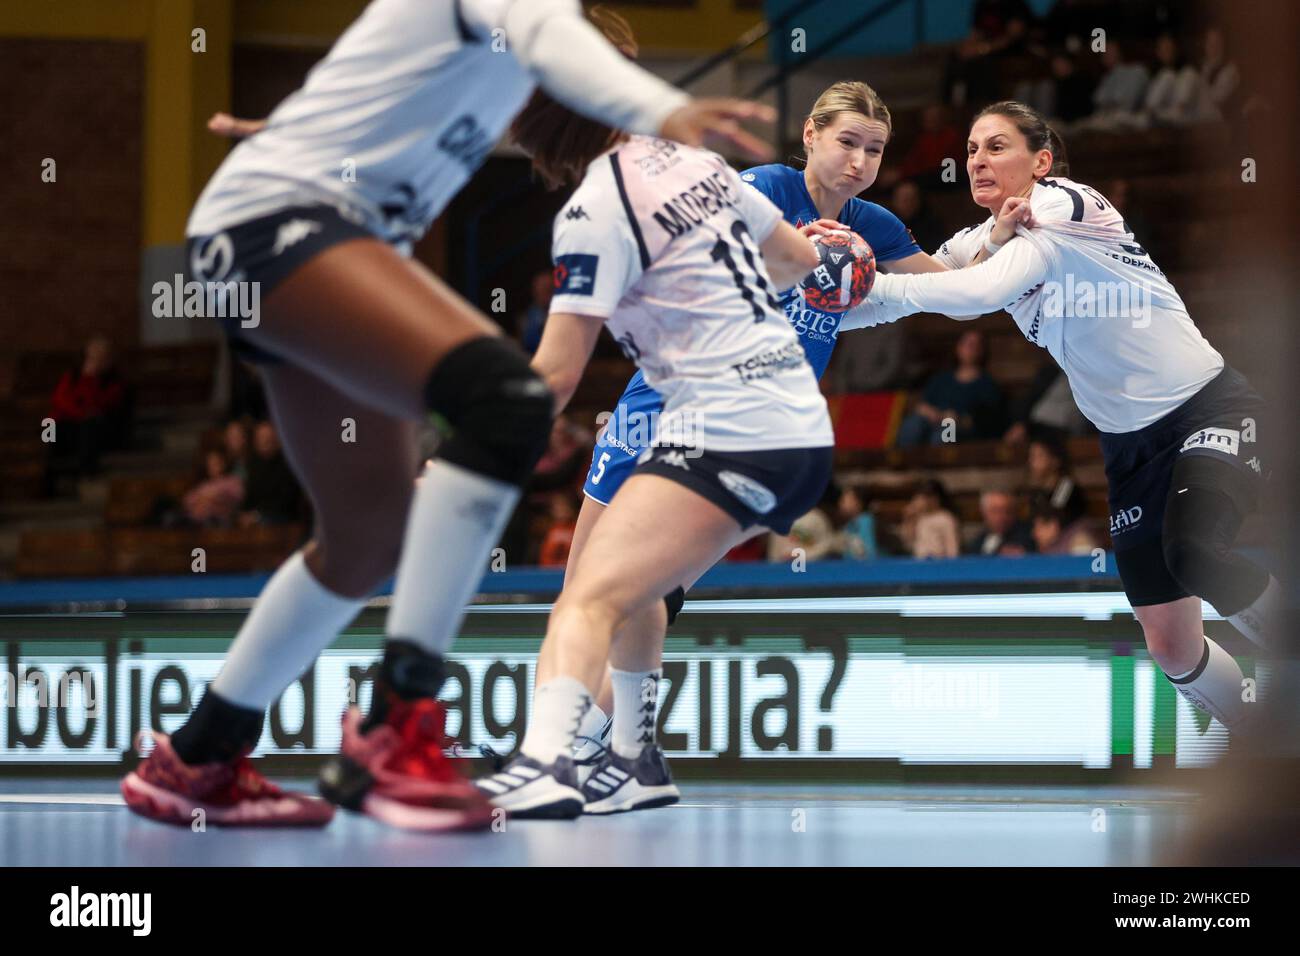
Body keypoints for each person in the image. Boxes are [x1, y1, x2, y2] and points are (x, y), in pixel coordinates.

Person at [121, 0, 777, 832]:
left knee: (366, 537)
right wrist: (660, 108)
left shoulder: (495, 58)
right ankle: (398, 722)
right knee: (506, 400)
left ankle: (199, 755)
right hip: (279, 234)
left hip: (290, 242)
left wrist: (286, 128)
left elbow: (388, 88)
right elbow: (548, 38)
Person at [524, 79, 958, 802]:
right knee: (592, 591)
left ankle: (584, 753)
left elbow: (945, 289)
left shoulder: (874, 227)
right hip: (652, 403)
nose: (859, 161)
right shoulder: (762, 187)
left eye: (875, 150)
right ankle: (608, 755)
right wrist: (817, 272)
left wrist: (1007, 240)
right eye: (847, 141)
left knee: (636, 588)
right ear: (811, 134)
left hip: (743, 417)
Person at [472, 13, 835, 817]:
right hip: (791, 423)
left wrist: (468, 445)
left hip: (732, 423)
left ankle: (544, 763)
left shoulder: (593, 211)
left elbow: (557, 377)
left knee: (585, 598)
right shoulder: (696, 162)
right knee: (631, 587)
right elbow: (799, 260)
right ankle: (635, 760)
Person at [847, 100, 1280, 732]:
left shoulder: (1066, 205)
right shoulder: (979, 241)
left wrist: (881, 287)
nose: (977, 160)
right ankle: (1264, 745)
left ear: (1041, 161)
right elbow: (903, 297)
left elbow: (975, 296)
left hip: (1206, 408)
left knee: (1195, 552)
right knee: (1170, 644)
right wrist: (816, 304)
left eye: (996, 146)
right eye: (970, 149)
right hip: (1128, 449)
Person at [44, 334, 131, 494]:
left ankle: (86, 474)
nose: (96, 362)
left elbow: (100, 405)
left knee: (90, 425)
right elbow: (60, 400)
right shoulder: (71, 376)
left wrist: (90, 380)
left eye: (101, 358)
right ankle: (49, 479)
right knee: (48, 427)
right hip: (70, 422)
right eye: (92, 357)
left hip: (97, 430)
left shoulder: (114, 382)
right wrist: (79, 412)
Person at [895, 328, 1006, 446]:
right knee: (913, 425)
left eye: (975, 344)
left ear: (983, 351)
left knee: (945, 432)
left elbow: (986, 421)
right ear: (958, 347)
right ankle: (903, 462)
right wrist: (929, 412)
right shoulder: (941, 379)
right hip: (932, 420)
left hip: (959, 427)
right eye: (967, 343)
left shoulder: (987, 384)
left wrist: (959, 419)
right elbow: (922, 404)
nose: (970, 348)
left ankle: (939, 463)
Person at [900, 478, 960, 559]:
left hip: (938, 563)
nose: (925, 501)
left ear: (937, 498)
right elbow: (908, 541)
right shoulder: (920, 517)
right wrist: (909, 518)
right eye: (923, 497)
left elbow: (952, 550)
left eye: (928, 497)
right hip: (920, 562)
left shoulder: (945, 518)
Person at [967, 488, 1033, 556]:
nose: (1001, 517)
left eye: (1007, 511)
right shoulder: (976, 543)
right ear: (984, 513)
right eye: (995, 511)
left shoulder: (1029, 537)